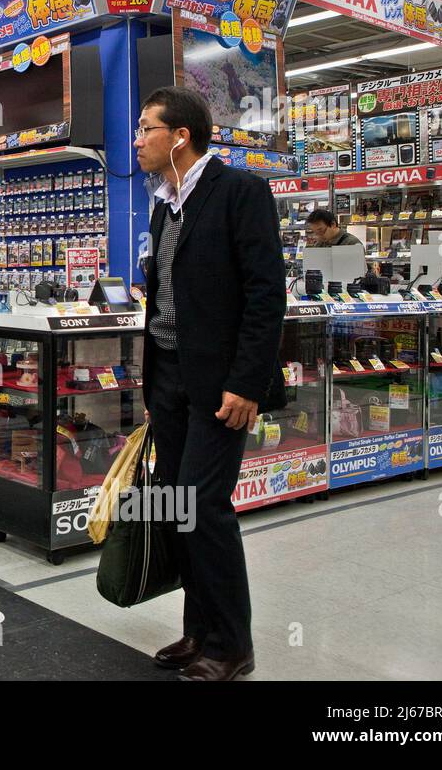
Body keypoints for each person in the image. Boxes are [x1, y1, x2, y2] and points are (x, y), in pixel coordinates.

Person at [135, 86, 285, 682]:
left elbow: (265, 294)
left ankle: (232, 644)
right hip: (169, 376)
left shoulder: (240, 193)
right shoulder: (164, 203)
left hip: (222, 384)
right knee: (177, 506)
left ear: (180, 137)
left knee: (203, 505)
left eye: (147, 128)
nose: (138, 139)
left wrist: (247, 383)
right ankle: (198, 628)